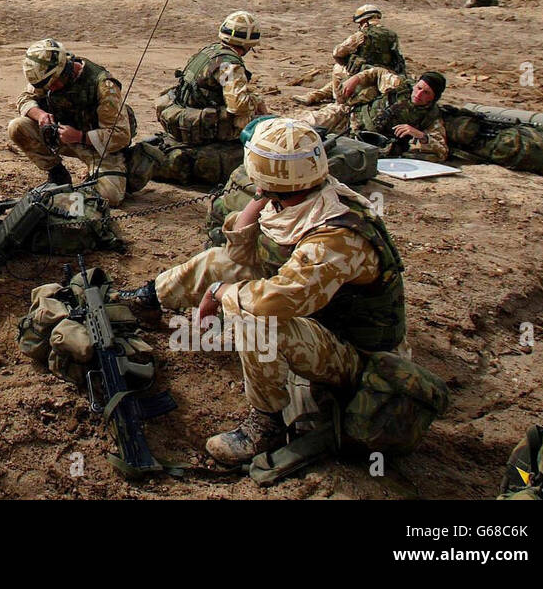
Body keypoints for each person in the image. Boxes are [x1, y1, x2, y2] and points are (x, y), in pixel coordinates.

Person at [129, 118, 406, 463]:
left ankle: (266, 423)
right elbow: (236, 255)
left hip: (357, 353)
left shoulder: (336, 236)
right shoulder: (300, 198)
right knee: (217, 261)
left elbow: (275, 301)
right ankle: (149, 300)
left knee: (257, 320)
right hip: (319, 316)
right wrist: (262, 197)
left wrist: (219, 294)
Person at [6, 38, 135, 206]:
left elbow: (121, 136)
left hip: (98, 147)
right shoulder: (47, 76)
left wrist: (79, 137)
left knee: (110, 196)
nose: (49, 89)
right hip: (63, 136)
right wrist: (41, 116)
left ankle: (102, 176)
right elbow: (24, 99)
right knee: (17, 127)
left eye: (53, 84)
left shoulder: (103, 86)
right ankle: (58, 175)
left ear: (65, 70)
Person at [155, 10, 268, 145]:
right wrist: (257, 102)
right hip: (200, 126)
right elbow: (238, 106)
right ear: (249, 44)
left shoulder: (209, 51)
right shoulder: (229, 64)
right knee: (264, 122)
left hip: (183, 119)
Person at [305, 68, 449, 161]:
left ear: (434, 97)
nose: (418, 94)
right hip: (347, 116)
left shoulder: (431, 117)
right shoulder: (399, 85)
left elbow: (442, 151)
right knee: (301, 126)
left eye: (426, 93)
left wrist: (419, 135)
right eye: (418, 88)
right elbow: (377, 73)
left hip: (365, 142)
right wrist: (356, 79)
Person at [295, 4, 405, 106]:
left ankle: (338, 100)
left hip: (365, 76)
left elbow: (337, 53)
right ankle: (315, 96)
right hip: (384, 75)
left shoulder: (362, 34)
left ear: (363, 21)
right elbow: (398, 57)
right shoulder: (392, 35)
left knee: (339, 69)